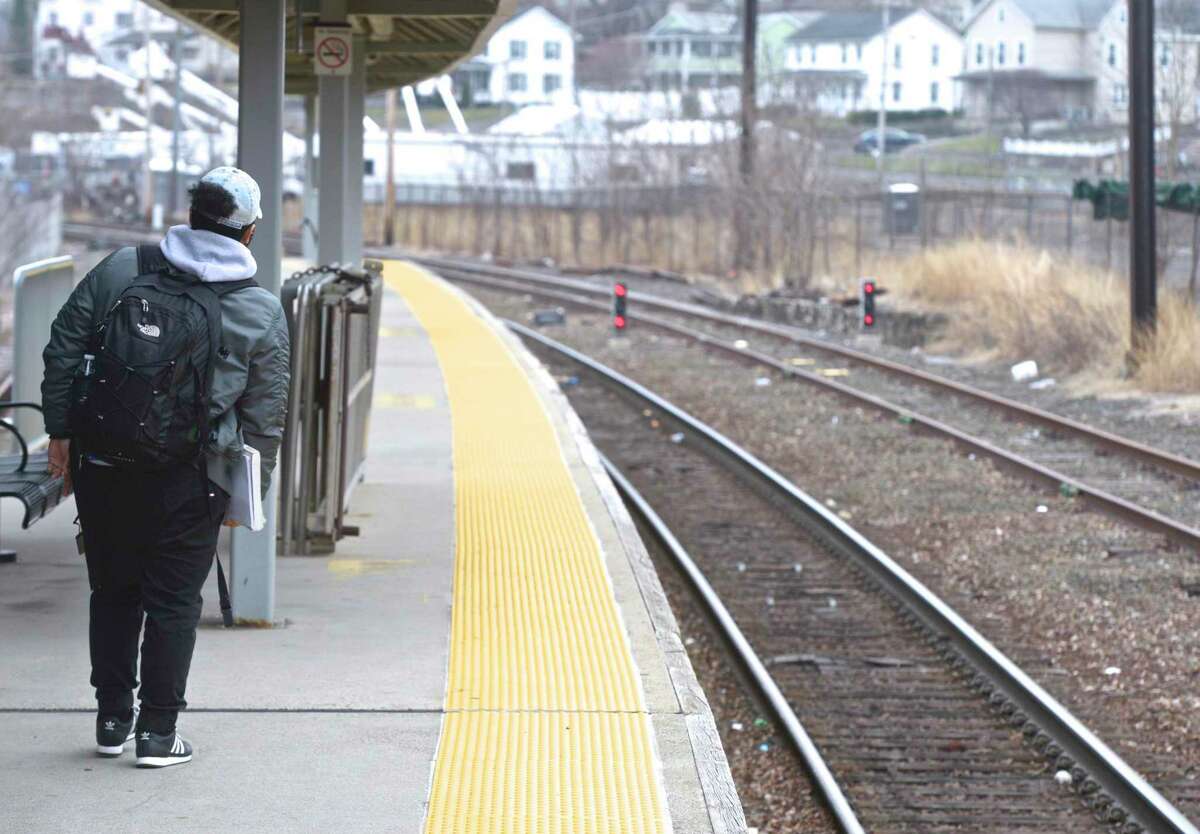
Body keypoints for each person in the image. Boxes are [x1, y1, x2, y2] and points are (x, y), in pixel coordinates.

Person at [41, 167, 290, 768]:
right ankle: (157, 734)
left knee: (114, 591)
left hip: (105, 462)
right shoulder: (259, 308)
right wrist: (247, 491)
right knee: (175, 602)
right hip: (192, 474)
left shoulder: (123, 268)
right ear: (249, 233)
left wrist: (60, 432)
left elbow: (64, 345)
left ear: (192, 214)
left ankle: (110, 721)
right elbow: (265, 415)